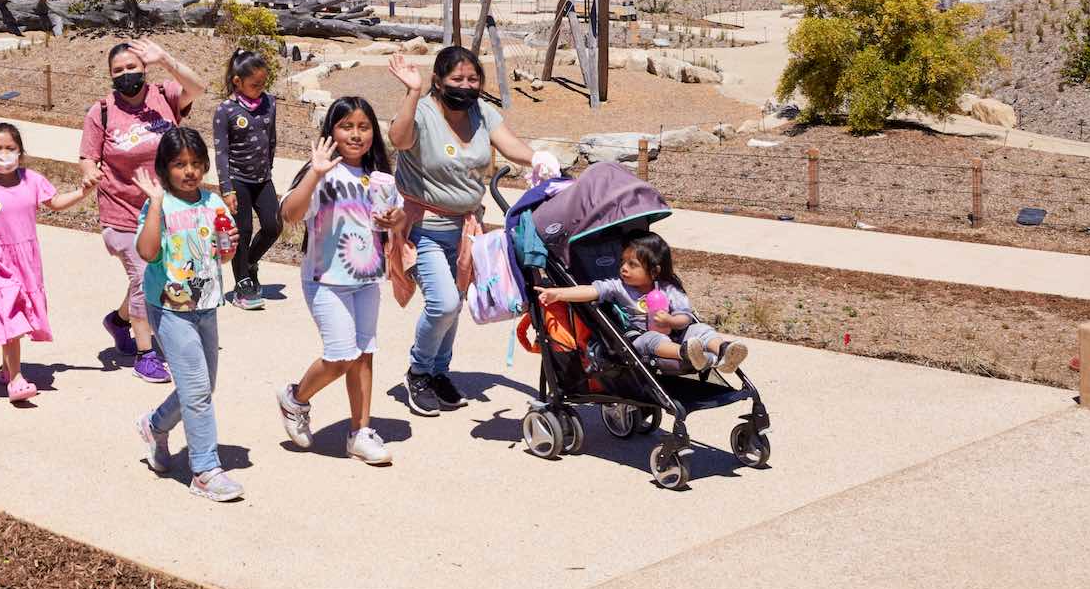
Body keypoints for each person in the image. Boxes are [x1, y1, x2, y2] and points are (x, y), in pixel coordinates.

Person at [384, 44, 535, 417]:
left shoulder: (483, 113)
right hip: (423, 225)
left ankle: (438, 372)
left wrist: (540, 159)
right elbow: (398, 140)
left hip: (467, 228)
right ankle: (419, 371)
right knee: (444, 303)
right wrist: (412, 91)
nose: (466, 86)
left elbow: (510, 143)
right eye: (457, 79)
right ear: (438, 80)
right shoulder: (421, 112)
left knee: (457, 303)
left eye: (473, 79)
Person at [275, 97, 405, 466]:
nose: (356, 134)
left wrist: (395, 220)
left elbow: (396, 221)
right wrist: (315, 173)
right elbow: (289, 214)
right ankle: (295, 398)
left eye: (364, 127)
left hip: (367, 278)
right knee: (341, 356)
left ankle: (359, 432)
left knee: (364, 354)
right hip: (326, 278)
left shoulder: (378, 176)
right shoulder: (322, 172)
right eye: (346, 126)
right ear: (331, 131)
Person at [78, 38, 205, 384]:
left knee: (151, 276)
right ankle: (145, 354)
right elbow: (88, 156)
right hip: (122, 212)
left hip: (166, 208)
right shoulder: (101, 111)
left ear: (144, 68)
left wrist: (165, 58)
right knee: (143, 275)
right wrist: (89, 172)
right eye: (118, 70)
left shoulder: (164, 97)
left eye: (132, 67)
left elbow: (199, 87)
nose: (126, 74)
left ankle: (119, 321)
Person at [130, 127, 242, 502]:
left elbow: (221, 255)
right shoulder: (158, 205)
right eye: (179, 164)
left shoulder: (213, 204)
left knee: (203, 387)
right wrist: (157, 204)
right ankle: (205, 470)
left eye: (196, 163)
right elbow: (146, 253)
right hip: (168, 308)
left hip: (207, 305)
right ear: (165, 169)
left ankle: (155, 425)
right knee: (197, 390)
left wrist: (229, 248)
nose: (189, 171)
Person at [0, 122, 90, 402]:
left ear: (20, 153)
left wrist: (83, 192)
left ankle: (6, 367)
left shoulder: (32, 180)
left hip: (26, 261)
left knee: (13, 316)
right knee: (11, 317)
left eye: (10, 148)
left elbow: (56, 202)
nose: (4, 154)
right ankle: (16, 379)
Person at [538, 234, 750, 375]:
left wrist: (671, 320)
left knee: (700, 329)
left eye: (633, 264)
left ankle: (723, 351)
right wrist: (558, 293)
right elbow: (590, 290)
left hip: (674, 331)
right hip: (639, 338)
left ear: (655, 271)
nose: (624, 268)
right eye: (622, 262)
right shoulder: (618, 287)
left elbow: (685, 316)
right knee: (653, 338)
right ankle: (686, 354)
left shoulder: (668, 287)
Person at [211, 50, 283, 311]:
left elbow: (272, 140)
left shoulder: (270, 103)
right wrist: (226, 188)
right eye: (254, 85)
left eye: (263, 84)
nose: (259, 89)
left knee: (273, 225)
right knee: (243, 231)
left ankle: (250, 261)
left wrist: (269, 169)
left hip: (263, 179)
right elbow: (221, 152)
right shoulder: (225, 110)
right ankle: (242, 282)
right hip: (238, 180)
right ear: (237, 82)